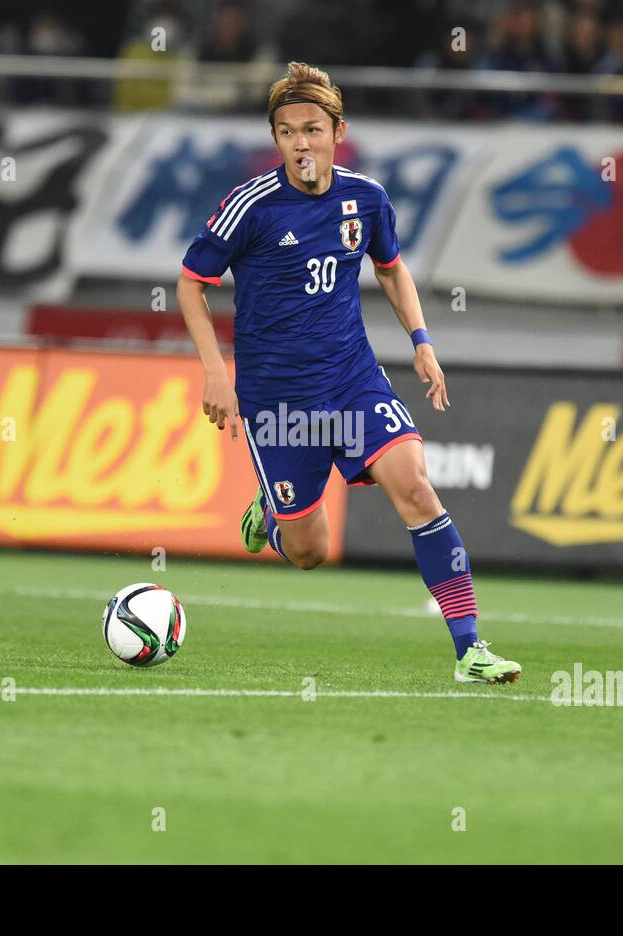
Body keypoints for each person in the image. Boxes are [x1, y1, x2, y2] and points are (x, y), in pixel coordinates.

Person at [177, 62, 520, 685]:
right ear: (276, 140)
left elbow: (390, 267)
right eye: (287, 133)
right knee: (309, 552)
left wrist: (422, 342)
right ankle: (274, 520)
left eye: (312, 129)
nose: (300, 143)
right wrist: (215, 372)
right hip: (278, 402)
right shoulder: (249, 207)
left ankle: (470, 649)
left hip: (351, 378)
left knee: (415, 484)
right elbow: (191, 283)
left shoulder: (366, 198)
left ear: (339, 131)